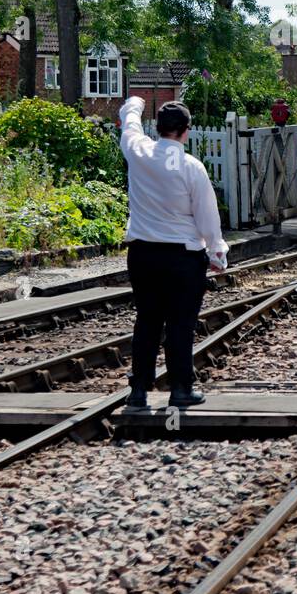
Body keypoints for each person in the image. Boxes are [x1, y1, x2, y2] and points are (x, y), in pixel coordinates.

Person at [119, 96, 228, 410]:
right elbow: (207, 218)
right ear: (186, 131)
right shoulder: (191, 167)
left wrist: (136, 103)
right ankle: (180, 389)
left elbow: (129, 123)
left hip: (142, 255)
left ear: (158, 128)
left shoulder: (138, 151)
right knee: (181, 324)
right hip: (182, 259)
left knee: (147, 320)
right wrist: (217, 252)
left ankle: (138, 391)